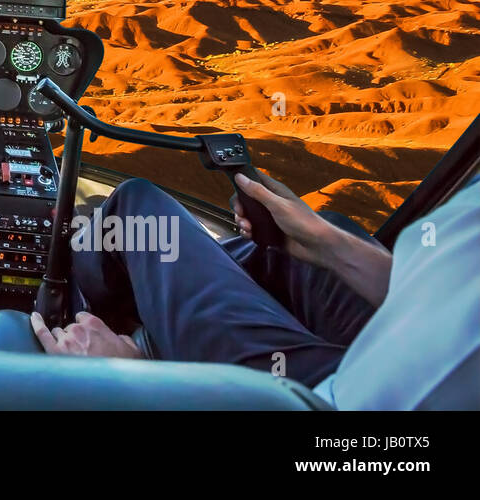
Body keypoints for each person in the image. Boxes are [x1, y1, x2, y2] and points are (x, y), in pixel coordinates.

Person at [29, 169, 480, 409]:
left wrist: (133, 383)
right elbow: (450, 291)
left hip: (329, 401)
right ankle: (174, 317)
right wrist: (325, 243)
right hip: (404, 343)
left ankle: (98, 306)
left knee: (141, 211)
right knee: (303, 244)